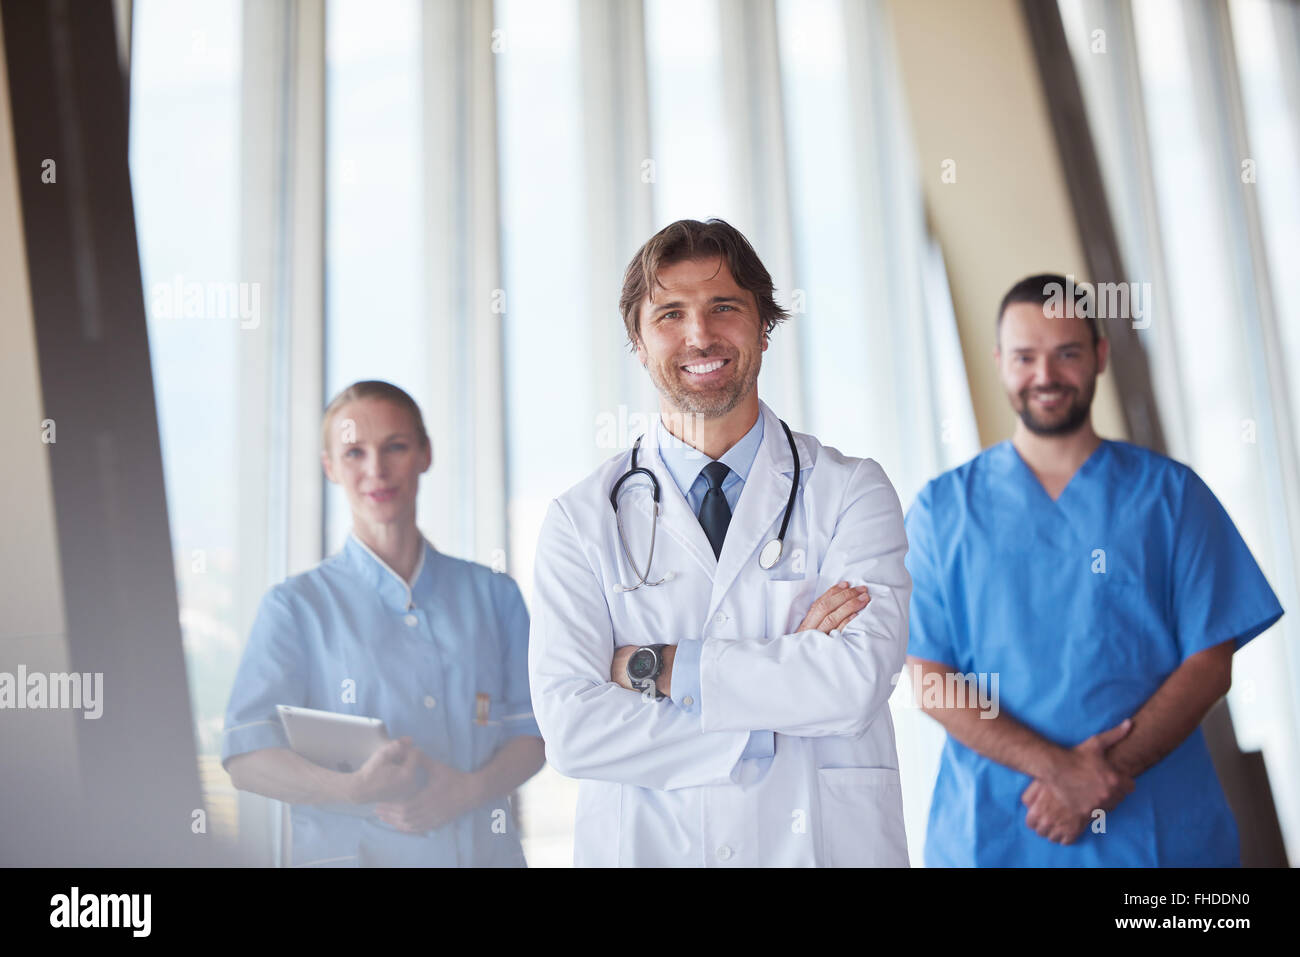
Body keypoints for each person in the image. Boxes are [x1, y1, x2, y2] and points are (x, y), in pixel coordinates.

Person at [528, 219, 911, 867]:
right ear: (638, 342)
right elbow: (573, 729)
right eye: (670, 313)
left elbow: (856, 681)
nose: (700, 334)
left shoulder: (851, 492)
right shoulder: (579, 519)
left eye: (724, 307)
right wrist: (776, 703)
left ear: (764, 325)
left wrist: (661, 667)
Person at [905, 274, 1284, 867]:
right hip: (999, 832)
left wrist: (1102, 775)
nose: (1045, 376)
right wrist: (1060, 771)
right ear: (1001, 362)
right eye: (1026, 357)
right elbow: (928, 674)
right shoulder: (940, 510)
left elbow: (1210, 663)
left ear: (1100, 356)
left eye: (1067, 353)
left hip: (1154, 834)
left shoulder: (1170, 496)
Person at [222, 380, 545, 866]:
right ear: (330, 467)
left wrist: (468, 790)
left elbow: (536, 732)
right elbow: (247, 757)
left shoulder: (494, 596)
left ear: (425, 453)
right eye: (354, 452)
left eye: (395, 446)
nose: (377, 469)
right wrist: (349, 789)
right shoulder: (295, 607)